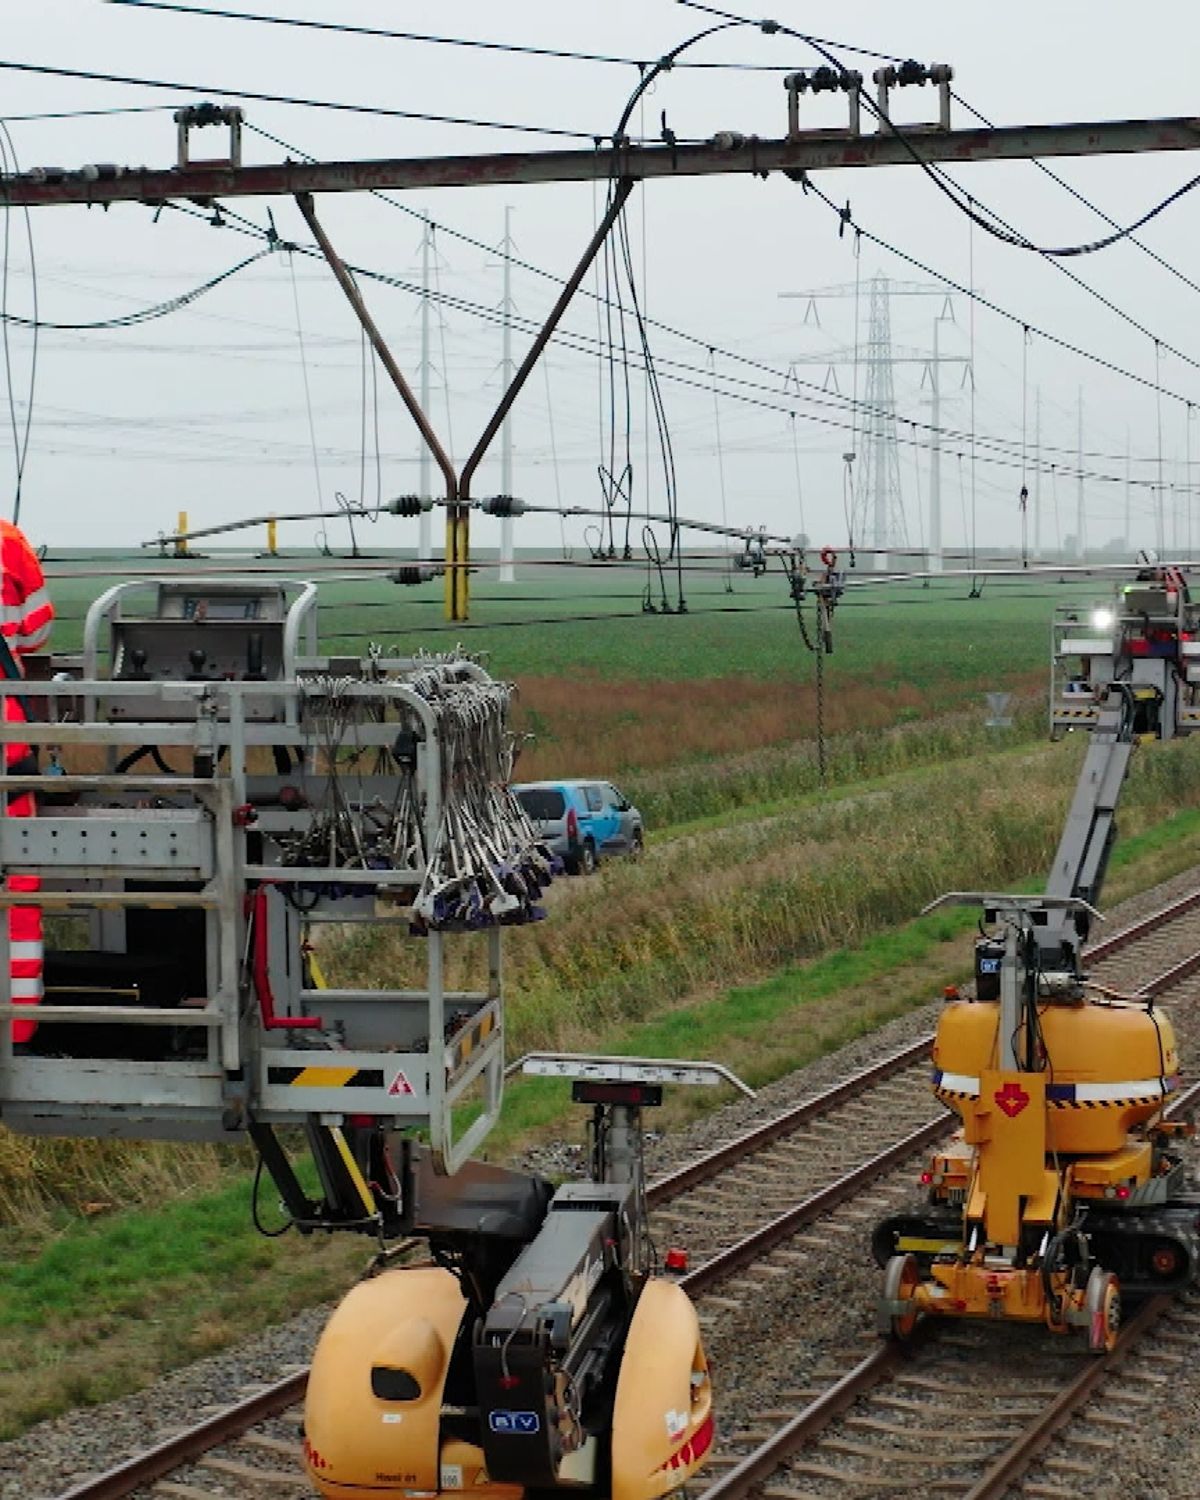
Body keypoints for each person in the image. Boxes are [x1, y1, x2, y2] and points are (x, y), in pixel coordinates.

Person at [0, 520, 53, 1043]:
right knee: (14, 889)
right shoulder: (8, 542)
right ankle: (16, 1031)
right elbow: (37, 631)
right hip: (4, 749)